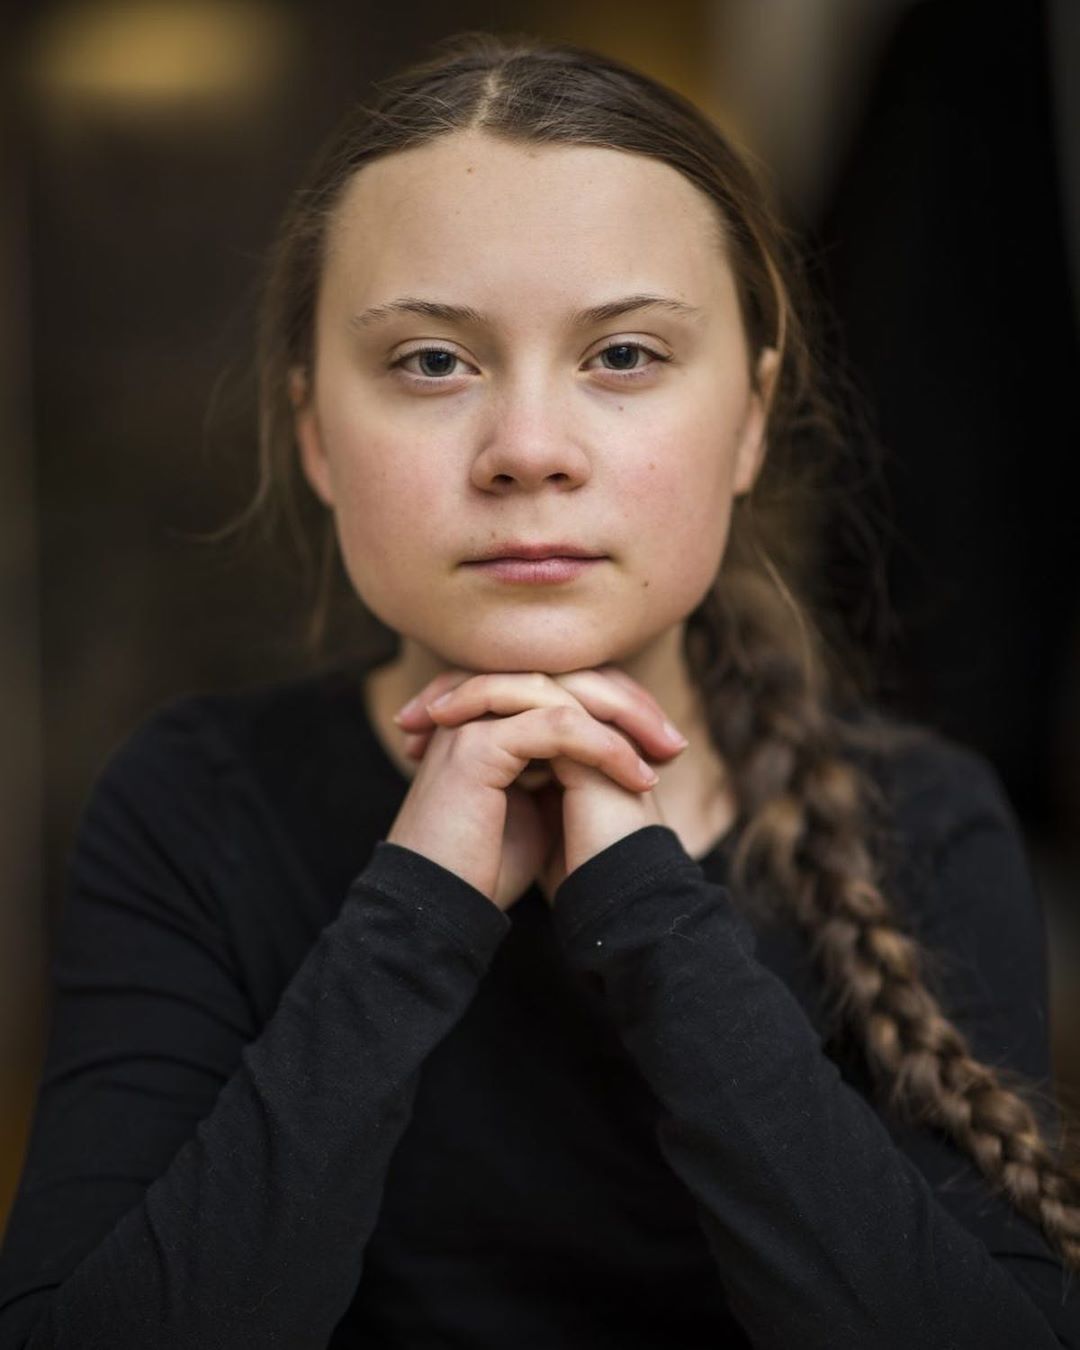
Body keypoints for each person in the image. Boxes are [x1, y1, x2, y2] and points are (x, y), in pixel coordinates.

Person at [1, 29, 1078, 1349]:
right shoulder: (191, 808)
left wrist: (649, 914)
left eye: (623, 355)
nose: (526, 451)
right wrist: (418, 906)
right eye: (431, 361)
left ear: (748, 417)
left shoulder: (927, 819)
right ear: (312, 431)